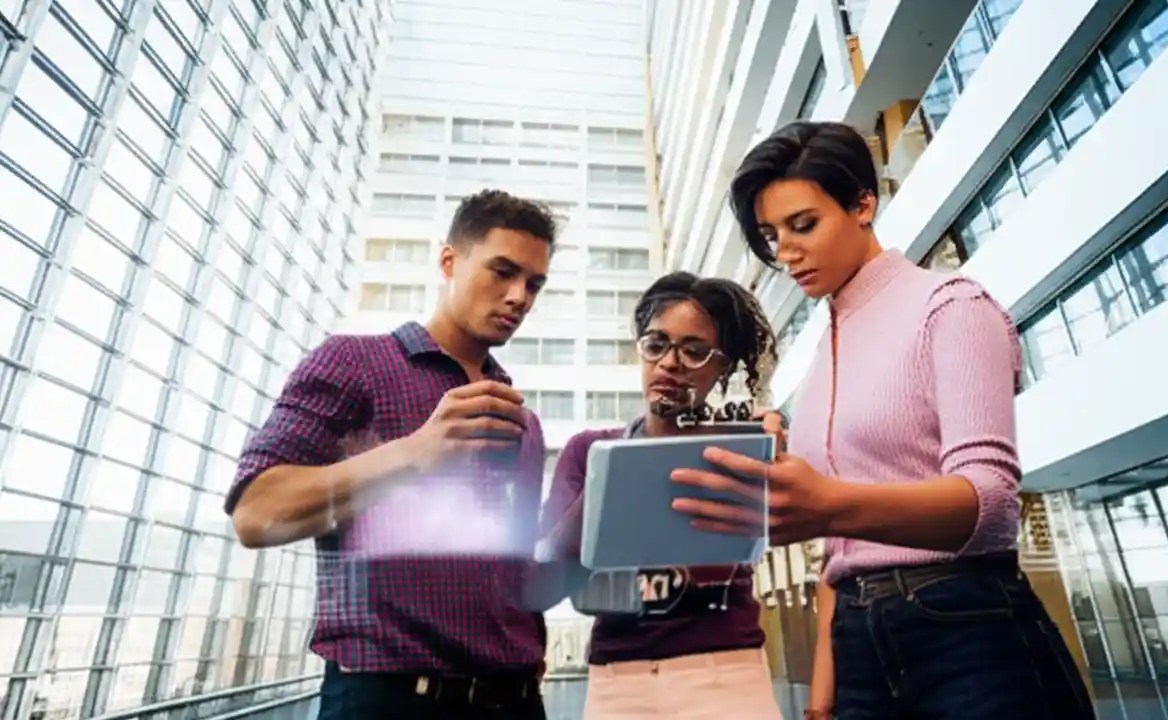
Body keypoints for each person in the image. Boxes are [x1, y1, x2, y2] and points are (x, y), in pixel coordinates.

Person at [668, 121, 1094, 719]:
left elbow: (994, 503)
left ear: (863, 204)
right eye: (771, 235)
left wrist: (828, 504)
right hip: (856, 636)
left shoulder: (950, 306)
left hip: (964, 623)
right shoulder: (821, 357)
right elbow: (838, 545)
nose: (785, 252)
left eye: (804, 224)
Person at [226, 190, 557, 719]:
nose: (519, 295)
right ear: (449, 261)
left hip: (516, 700)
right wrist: (415, 455)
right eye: (502, 271)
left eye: (534, 283)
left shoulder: (523, 421)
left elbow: (516, 573)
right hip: (391, 700)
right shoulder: (355, 363)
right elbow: (256, 514)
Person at [539, 272, 784, 719]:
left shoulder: (736, 449)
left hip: (724, 673)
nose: (670, 363)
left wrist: (771, 457)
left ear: (722, 367)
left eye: (694, 352)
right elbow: (550, 580)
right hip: (618, 682)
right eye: (656, 345)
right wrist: (609, 477)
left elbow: (727, 565)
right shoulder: (588, 451)